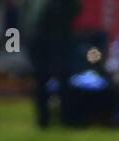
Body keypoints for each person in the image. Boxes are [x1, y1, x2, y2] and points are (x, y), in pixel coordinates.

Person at [22, 0, 80, 128]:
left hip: (58, 39)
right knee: (45, 81)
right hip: (46, 41)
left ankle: (62, 118)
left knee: (61, 81)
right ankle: (47, 120)